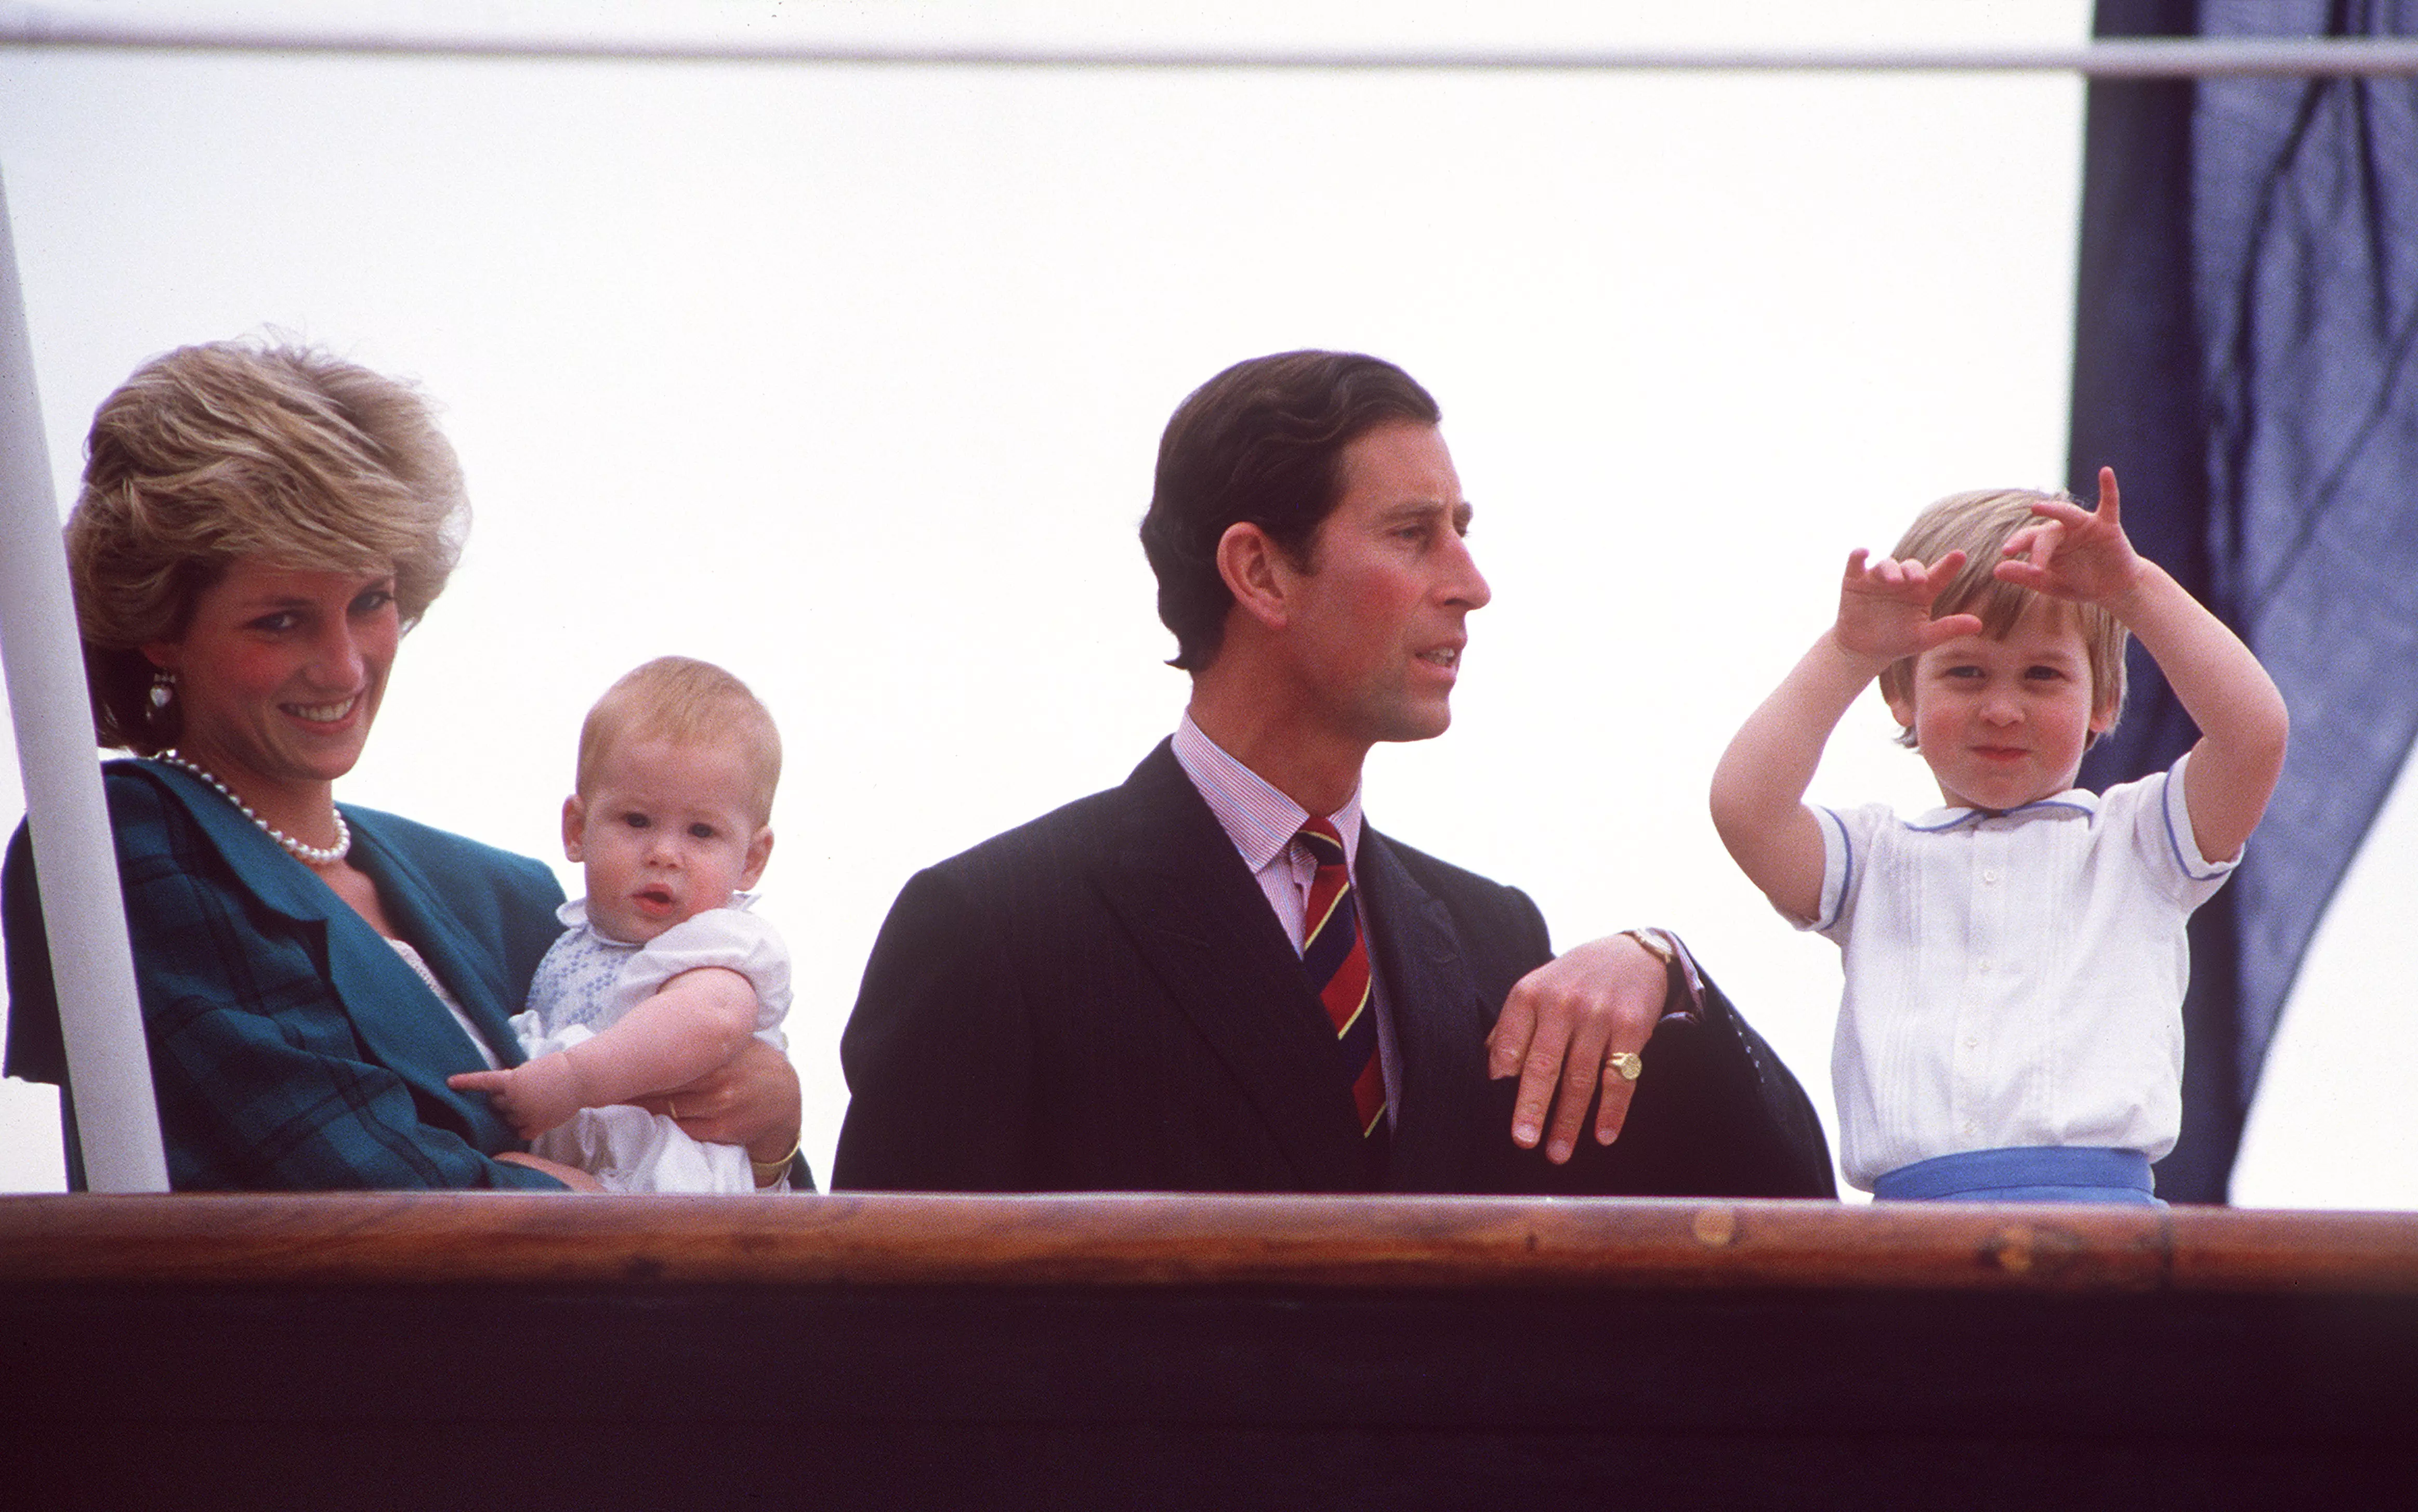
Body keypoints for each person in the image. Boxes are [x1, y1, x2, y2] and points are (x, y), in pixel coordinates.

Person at [833, 349, 1833, 1195]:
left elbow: (1792, 1215)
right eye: (1412, 532)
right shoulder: (992, 926)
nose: (1470, 584)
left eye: (1461, 529)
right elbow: (886, 1355)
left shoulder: (1493, 937)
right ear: (1259, 571)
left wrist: (1667, 969)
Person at [2, 340, 802, 1191]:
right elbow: (353, 1182)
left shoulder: (514, 896)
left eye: (370, 601)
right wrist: (580, 1202)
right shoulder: (124, 844)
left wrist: (770, 1136)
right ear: (163, 625)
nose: (345, 666)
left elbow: (725, 1200)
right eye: (281, 620)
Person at [1708, 469, 2289, 1203]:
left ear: (2102, 701)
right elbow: (1745, 808)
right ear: (1903, 696)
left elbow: (2254, 736)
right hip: (1904, 1242)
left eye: (2043, 675)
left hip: (2101, 1230)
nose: (2003, 709)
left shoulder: (2138, 844)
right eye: (1967, 673)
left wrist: (2133, 589)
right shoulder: (1875, 863)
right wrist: (1849, 652)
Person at [448, 656, 795, 1192]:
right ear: (577, 829)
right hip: (600, 1164)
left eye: (701, 831)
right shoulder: (572, 942)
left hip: (675, 1186)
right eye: (636, 821)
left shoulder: (719, 942)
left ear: (750, 858)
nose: (663, 853)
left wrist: (574, 1078)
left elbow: (712, 1018)